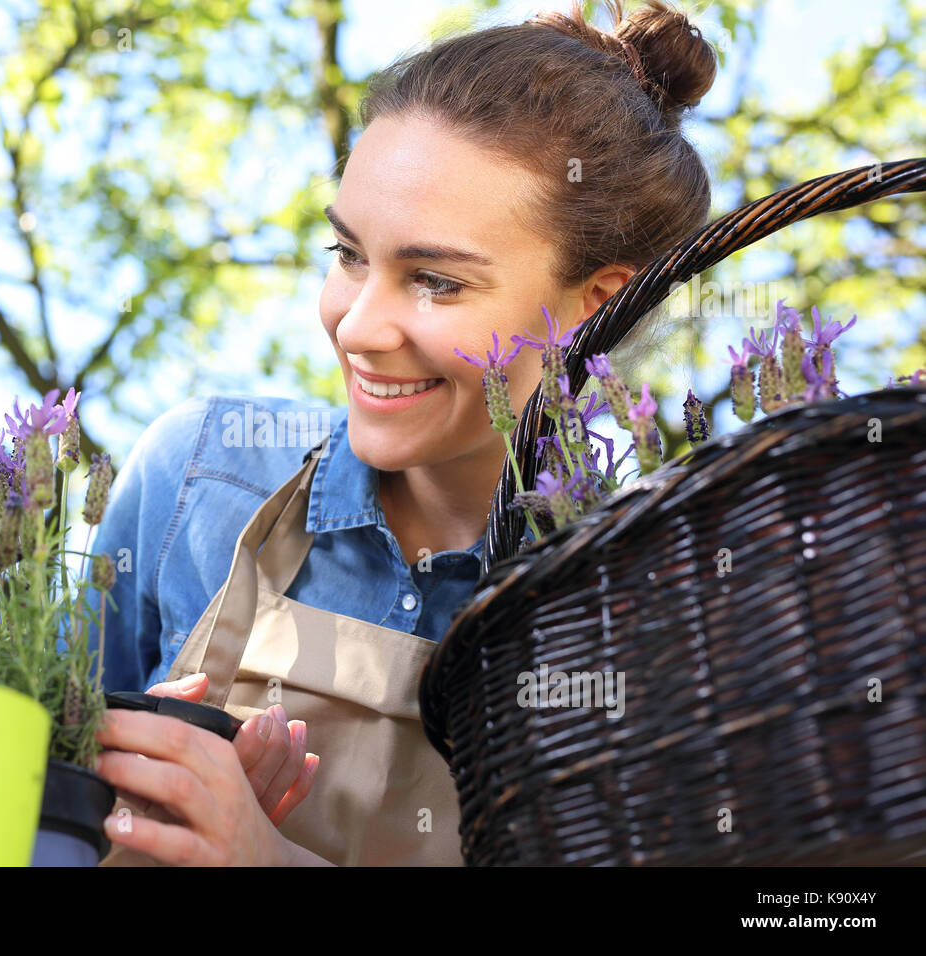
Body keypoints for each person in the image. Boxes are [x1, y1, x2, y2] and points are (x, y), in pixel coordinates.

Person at [84, 0, 719, 865]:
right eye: (348, 255)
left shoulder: (661, 609)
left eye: (435, 281)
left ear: (594, 306)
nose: (356, 328)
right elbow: (35, 813)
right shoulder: (202, 475)